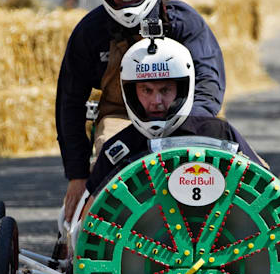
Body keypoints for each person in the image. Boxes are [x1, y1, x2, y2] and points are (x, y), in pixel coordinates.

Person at [56, 0, 226, 223]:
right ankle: (105, 231)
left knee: (227, 161)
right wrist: (78, 175)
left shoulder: (184, 22)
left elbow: (209, 82)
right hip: (120, 118)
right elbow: (69, 103)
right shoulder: (90, 32)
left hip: (185, 116)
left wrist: (184, 128)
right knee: (111, 155)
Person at [65, 36, 262, 231]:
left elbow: (264, 186)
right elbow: (85, 223)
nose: (156, 101)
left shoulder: (219, 133)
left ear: (183, 89)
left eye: (165, 90)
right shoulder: (118, 149)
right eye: (146, 90)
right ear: (131, 92)